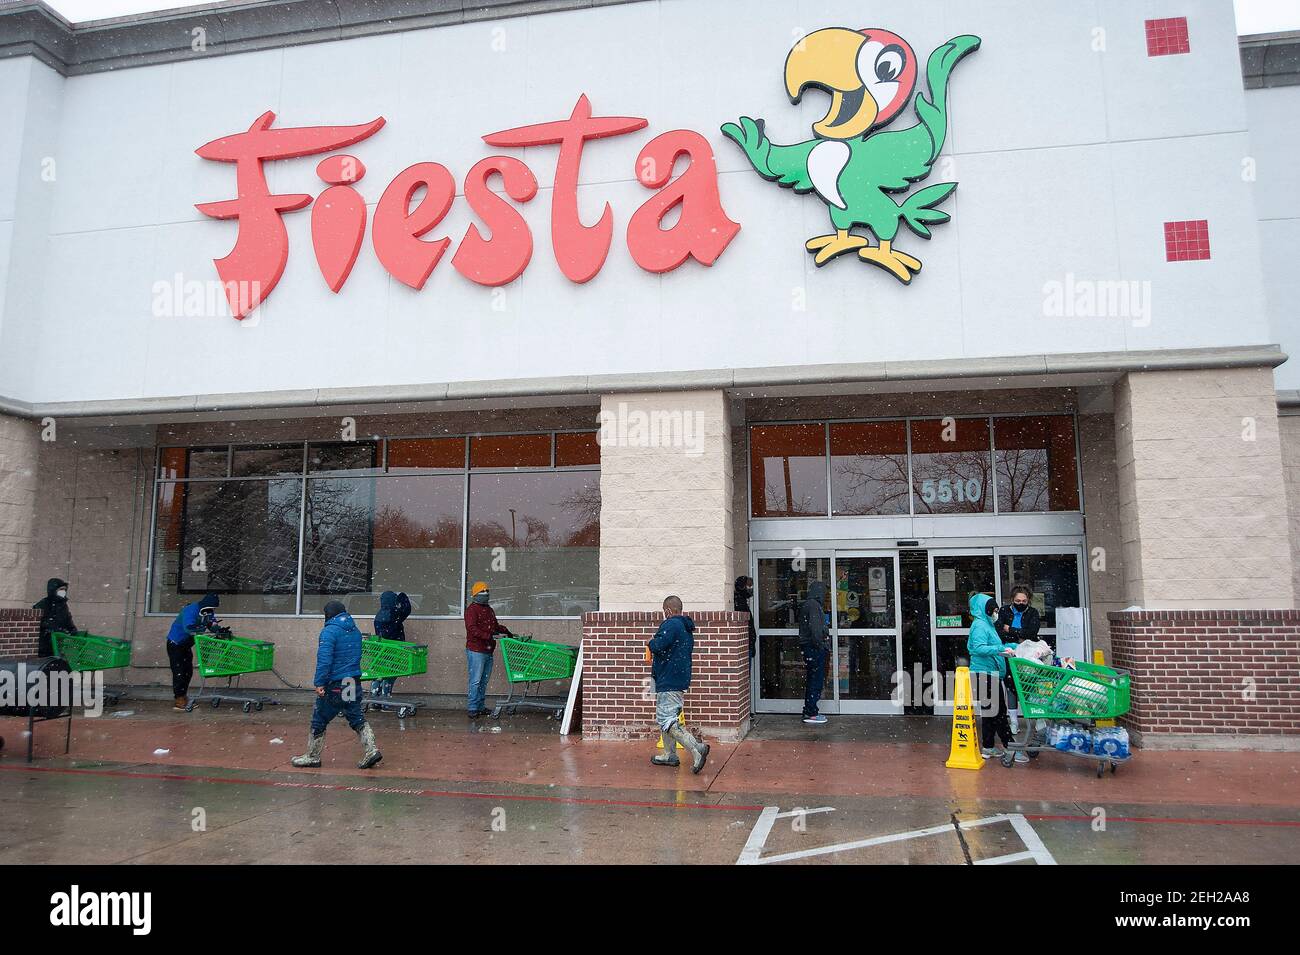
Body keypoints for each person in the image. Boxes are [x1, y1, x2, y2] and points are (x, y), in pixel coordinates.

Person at [292, 601, 382, 770]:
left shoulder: (329, 632)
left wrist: (319, 682)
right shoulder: (355, 631)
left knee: (320, 718)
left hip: (335, 684)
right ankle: (371, 750)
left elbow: (324, 660)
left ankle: (312, 756)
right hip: (351, 682)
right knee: (356, 717)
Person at [648, 595, 710, 774]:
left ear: (668, 610)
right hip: (677, 678)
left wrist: (651, 643)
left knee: (668, 721)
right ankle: (669, 754)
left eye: (664, 611)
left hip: (669, 679)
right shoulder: (685, 627)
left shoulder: (671, 624)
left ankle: (696, 748)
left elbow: (659, 645)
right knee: (666, 718)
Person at [965, 592, 1025, 762]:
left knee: (990, 714)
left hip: (989, 673)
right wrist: (1000, 651)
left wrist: (1012, 646)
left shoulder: (987, 625)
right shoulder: (979, 626)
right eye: (993, 611)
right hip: (984, 674)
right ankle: (1010, 747)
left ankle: (989, 747)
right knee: (998, 713)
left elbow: (994, 645)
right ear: (985, 610)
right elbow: (978, 648)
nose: (996, 614)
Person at [165, 593, 222, 711]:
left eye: (213, 609)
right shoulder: (190, 610)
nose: (212, 611)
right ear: (205, 605)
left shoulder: (208, 611)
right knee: (179, 671)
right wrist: (202, 628)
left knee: (188, 671)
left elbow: (212, 623)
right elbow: (189, 628)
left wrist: (218, 630)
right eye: (211, 608)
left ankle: (184, 696)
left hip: (186, 645)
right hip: (176, 643)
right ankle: (179, 699)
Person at [464, 581, 511, 718]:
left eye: (487, 592)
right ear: (475, 595)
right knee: (476, 680)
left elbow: (494, 626)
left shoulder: (489, 609)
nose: (486, 594)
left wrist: (506, 631)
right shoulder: (472, 610)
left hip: (488, 649)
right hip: (476, 650)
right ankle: (473, 708)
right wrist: (488, 635)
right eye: (482, 592)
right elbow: (472, 629)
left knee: (483, 681)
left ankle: (480, 706)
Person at [798, 580, 831, 725]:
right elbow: (816, 630)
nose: (826, 595)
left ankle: (810, 710)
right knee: (815, 680)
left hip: (811, 648)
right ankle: (811, 712)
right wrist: (821, 645)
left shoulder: (810, 604)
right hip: (813, 648)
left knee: (813, 679)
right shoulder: (813, 605)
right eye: (825, 591)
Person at [371, 590, 412, 697]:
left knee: (380, 673)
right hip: (393, 648)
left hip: (382, 649)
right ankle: (385, 699)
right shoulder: (394, 613)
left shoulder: (379, 614)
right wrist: (403, 596)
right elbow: (407, 610)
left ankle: (375, 699)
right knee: (391, 674)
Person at [32, 577, 77, 658]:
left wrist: (72, 629)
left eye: (64, 589)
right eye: (61, 589)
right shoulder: (43, 604)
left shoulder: (63, 605)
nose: (63, 592)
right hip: (45, 644)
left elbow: (67, 619)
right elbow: (40, 622)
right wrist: (56, 629)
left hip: (58, 644)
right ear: (53, 590)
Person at [734, 576, 756, 659]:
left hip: (747, 645)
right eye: (749, 586)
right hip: (745, 646)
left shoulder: (741, 601)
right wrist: (751, 645)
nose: (751, 588)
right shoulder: (739, 603)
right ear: (742, 586)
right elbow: (748, 627)